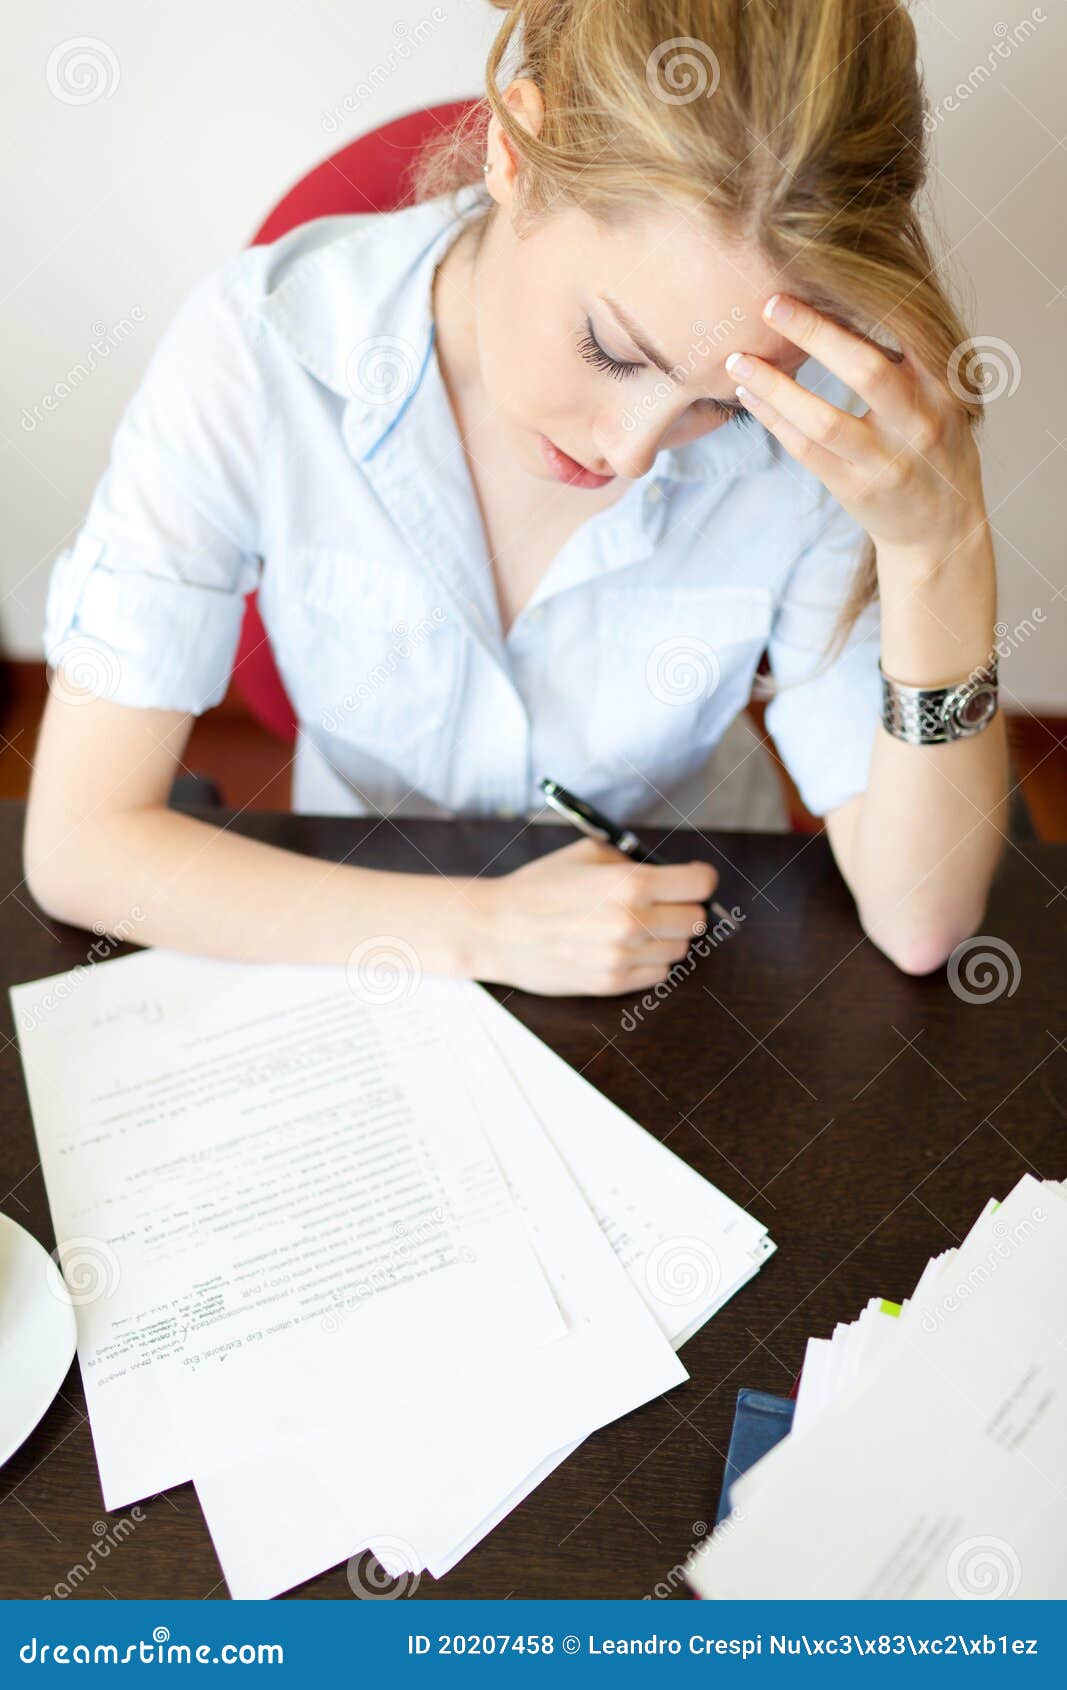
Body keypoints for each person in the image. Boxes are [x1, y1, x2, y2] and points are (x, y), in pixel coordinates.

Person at [25, 0, 1010, 998]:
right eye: (611, 349)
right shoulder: (255, 352)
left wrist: (943, 553)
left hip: (684, 942)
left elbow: (921, 919)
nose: (629, 454)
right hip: (353, 922)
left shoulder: (826, 428)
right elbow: (79, 846)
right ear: (515, 152)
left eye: (723, 405)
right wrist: (483, 930)